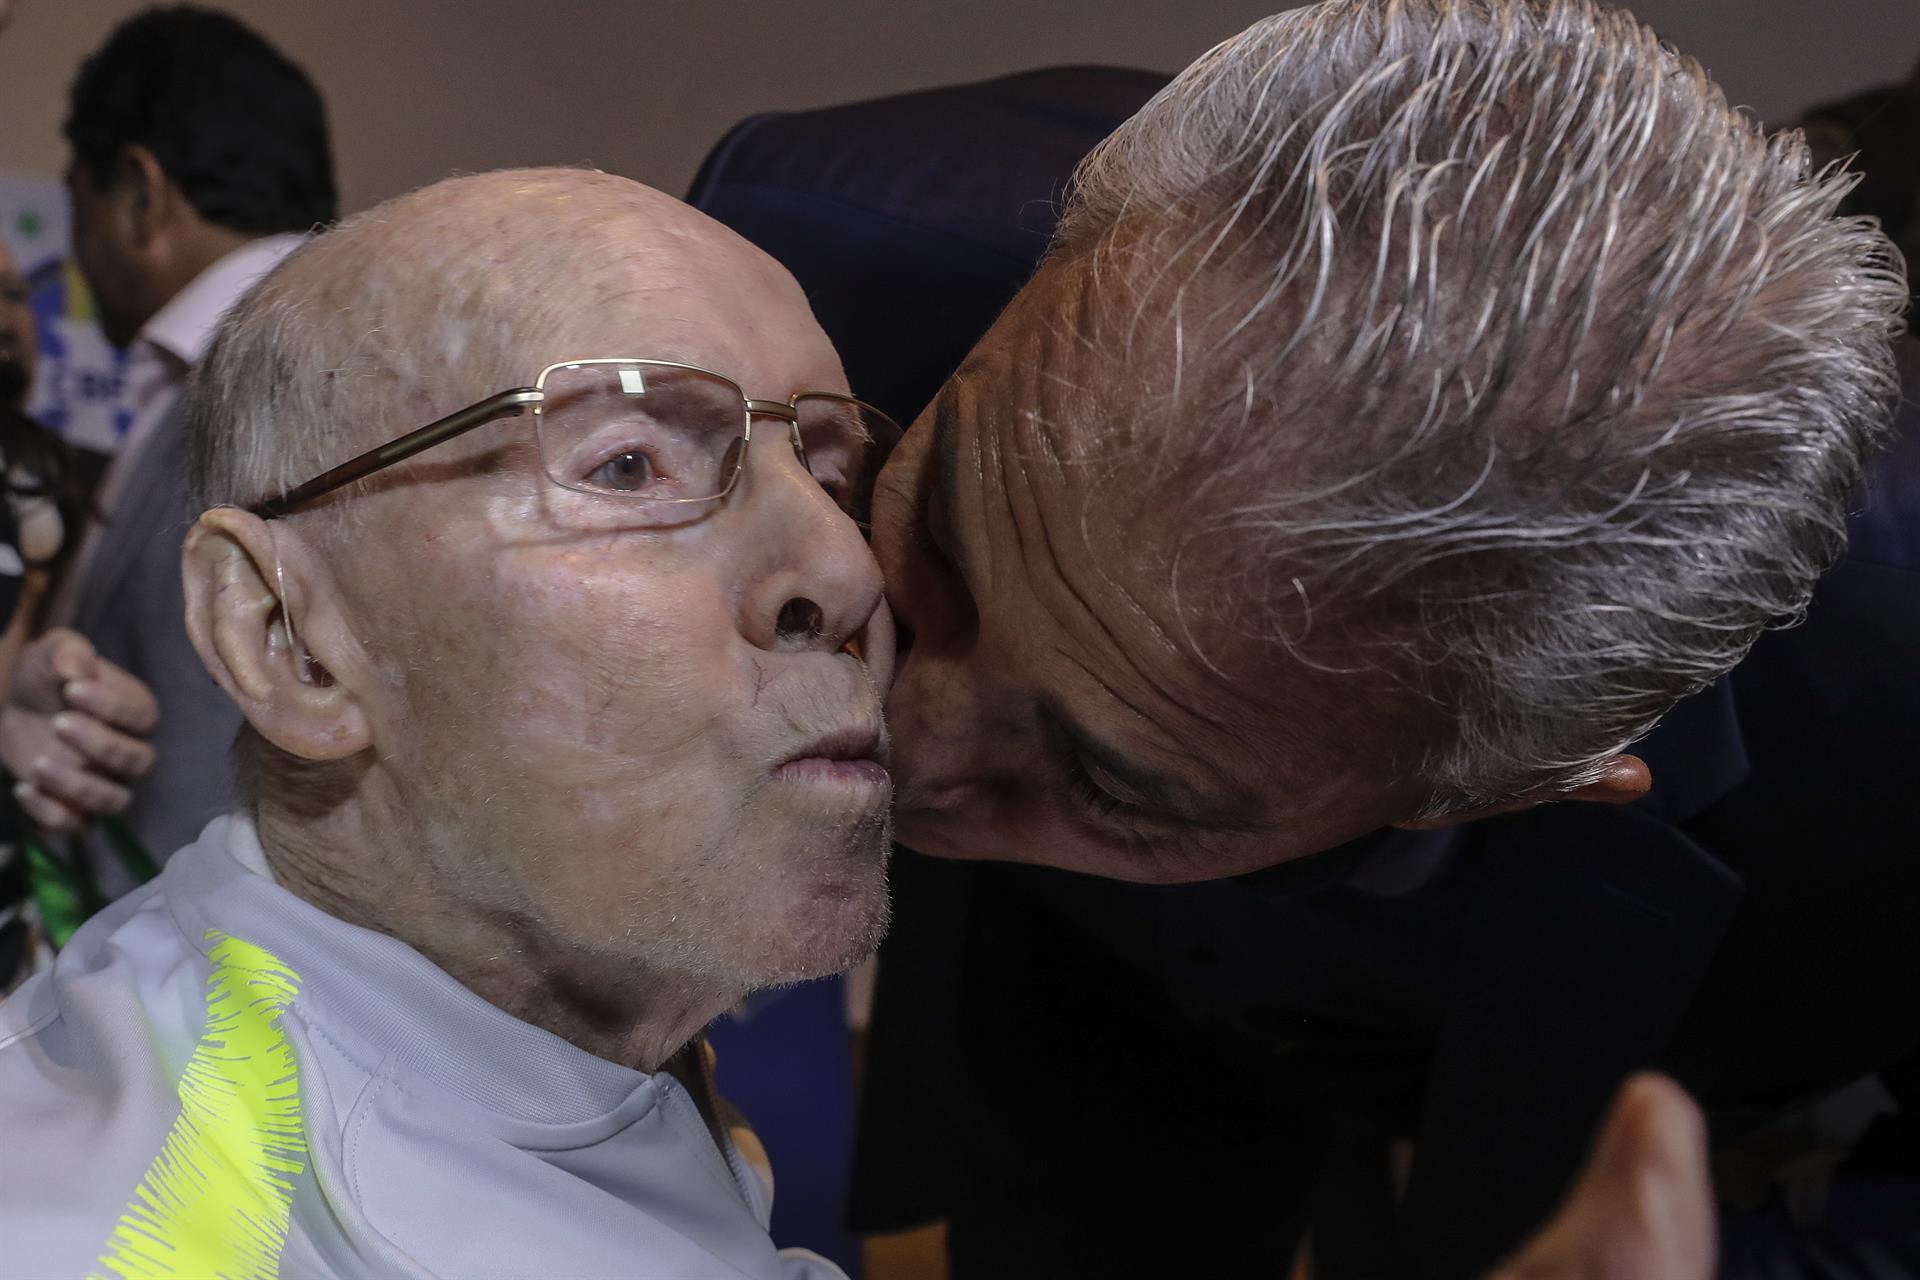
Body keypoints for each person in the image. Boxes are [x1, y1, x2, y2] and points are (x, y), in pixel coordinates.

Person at [823, 2, 1907, 1276]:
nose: (896, 749)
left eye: (1113, 774)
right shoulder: (817, 253)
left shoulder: (1886, 769)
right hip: (1056, 956)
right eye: (942, 536)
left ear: (1525, 782)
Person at [0, 167, 901, 1278]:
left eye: (830, 477)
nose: (846, 570)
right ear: (288, 640)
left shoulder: (584, 1057)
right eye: (629, 465)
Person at [0, 5, 336, 872]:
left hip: (204, 943)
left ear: (139, 194)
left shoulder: (273, 381)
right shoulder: (218, 372)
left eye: (78, 204)